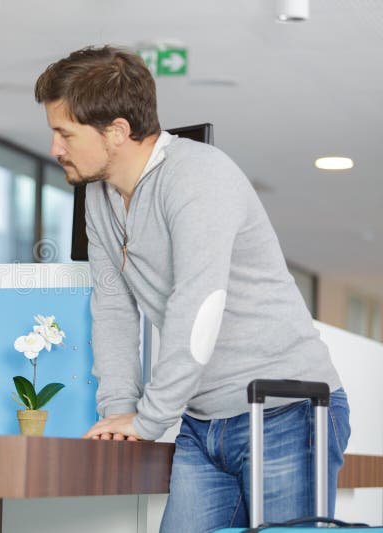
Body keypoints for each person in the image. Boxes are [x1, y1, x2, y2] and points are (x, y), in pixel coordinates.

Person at [34, 46, 350, 532]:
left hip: (286, 408)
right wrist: (120, 412)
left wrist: (150, 418)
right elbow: (114, 308)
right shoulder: (97, 198)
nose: (55, 148)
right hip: (203, 422)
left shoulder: (199, 175)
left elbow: (200, 304)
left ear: (117, 131)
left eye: (65, 133)